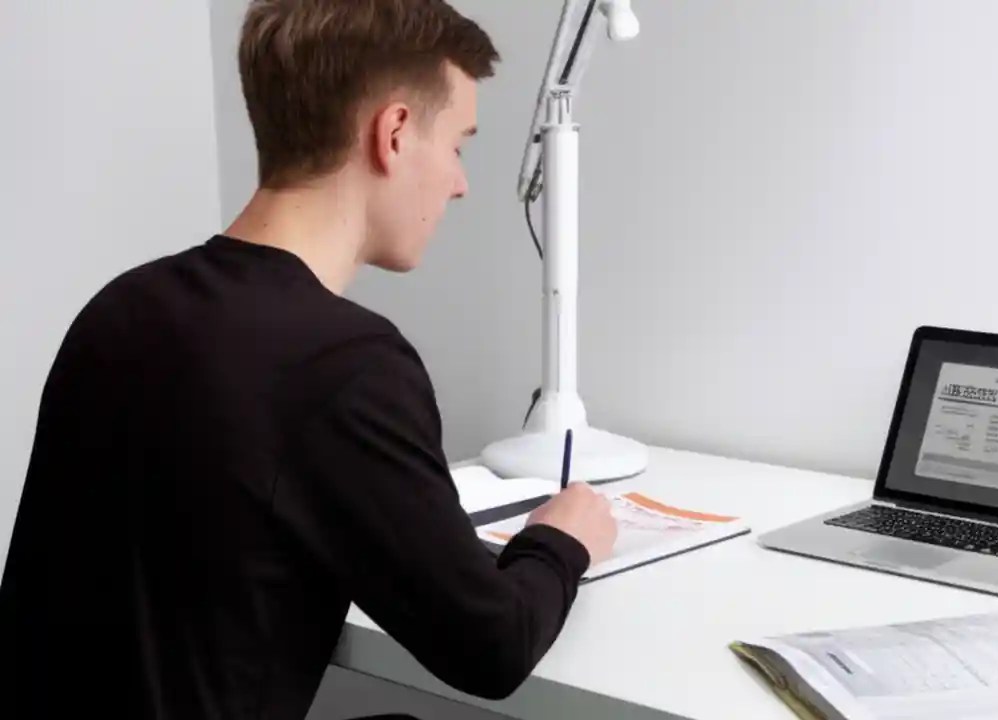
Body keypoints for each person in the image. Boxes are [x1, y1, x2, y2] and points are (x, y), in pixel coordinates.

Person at [0, 1, 618, 718]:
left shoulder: (122, 308)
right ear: (393, 133)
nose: (459, 183)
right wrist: (560, 538)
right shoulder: (346, 366)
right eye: (457, 146)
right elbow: (493, 646)